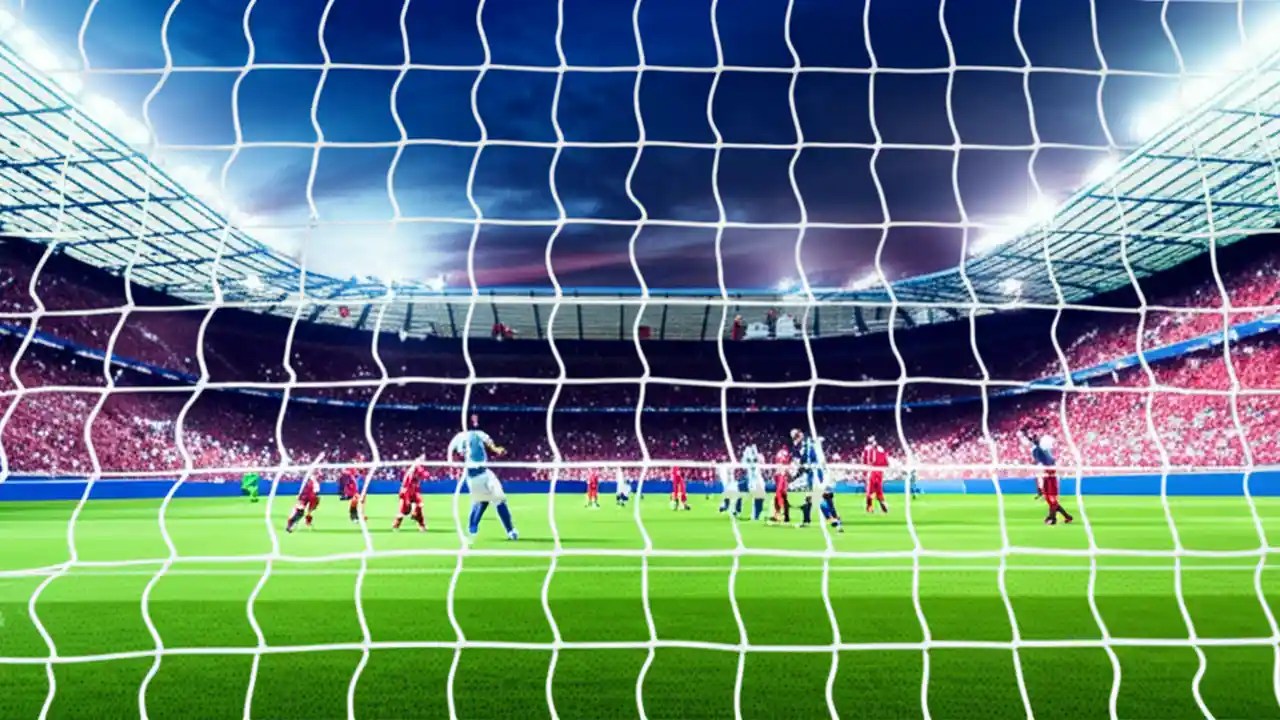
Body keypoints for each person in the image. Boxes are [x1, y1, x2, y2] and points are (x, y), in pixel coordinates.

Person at [447, 415, 518, 541]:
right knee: (490, 500)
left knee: (491, 500)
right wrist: (497, 450)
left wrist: (454, 465)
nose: (476, 421)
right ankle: (508, 531)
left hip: (477, 475)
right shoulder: (478, 434)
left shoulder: (457, 438)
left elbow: (450, 454)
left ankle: (475, 528)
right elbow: (491, 445)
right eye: (474, 419)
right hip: (479, 474)